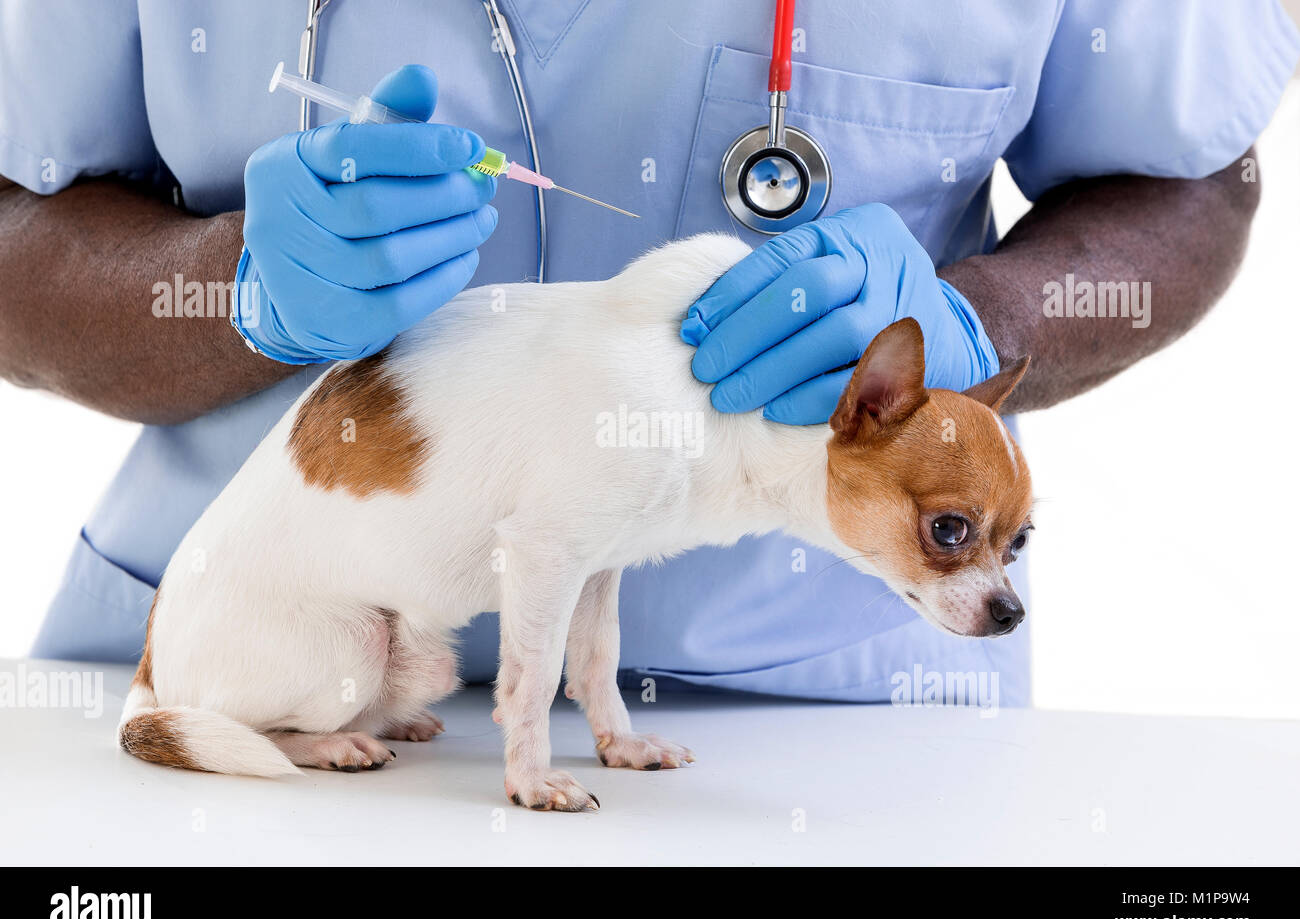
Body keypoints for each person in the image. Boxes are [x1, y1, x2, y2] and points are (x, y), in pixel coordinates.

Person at [2, 1, 1296, 704]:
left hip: (828, 721)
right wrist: (227, 289)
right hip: (247, 681)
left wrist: (982, 327)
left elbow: (1187, 178)